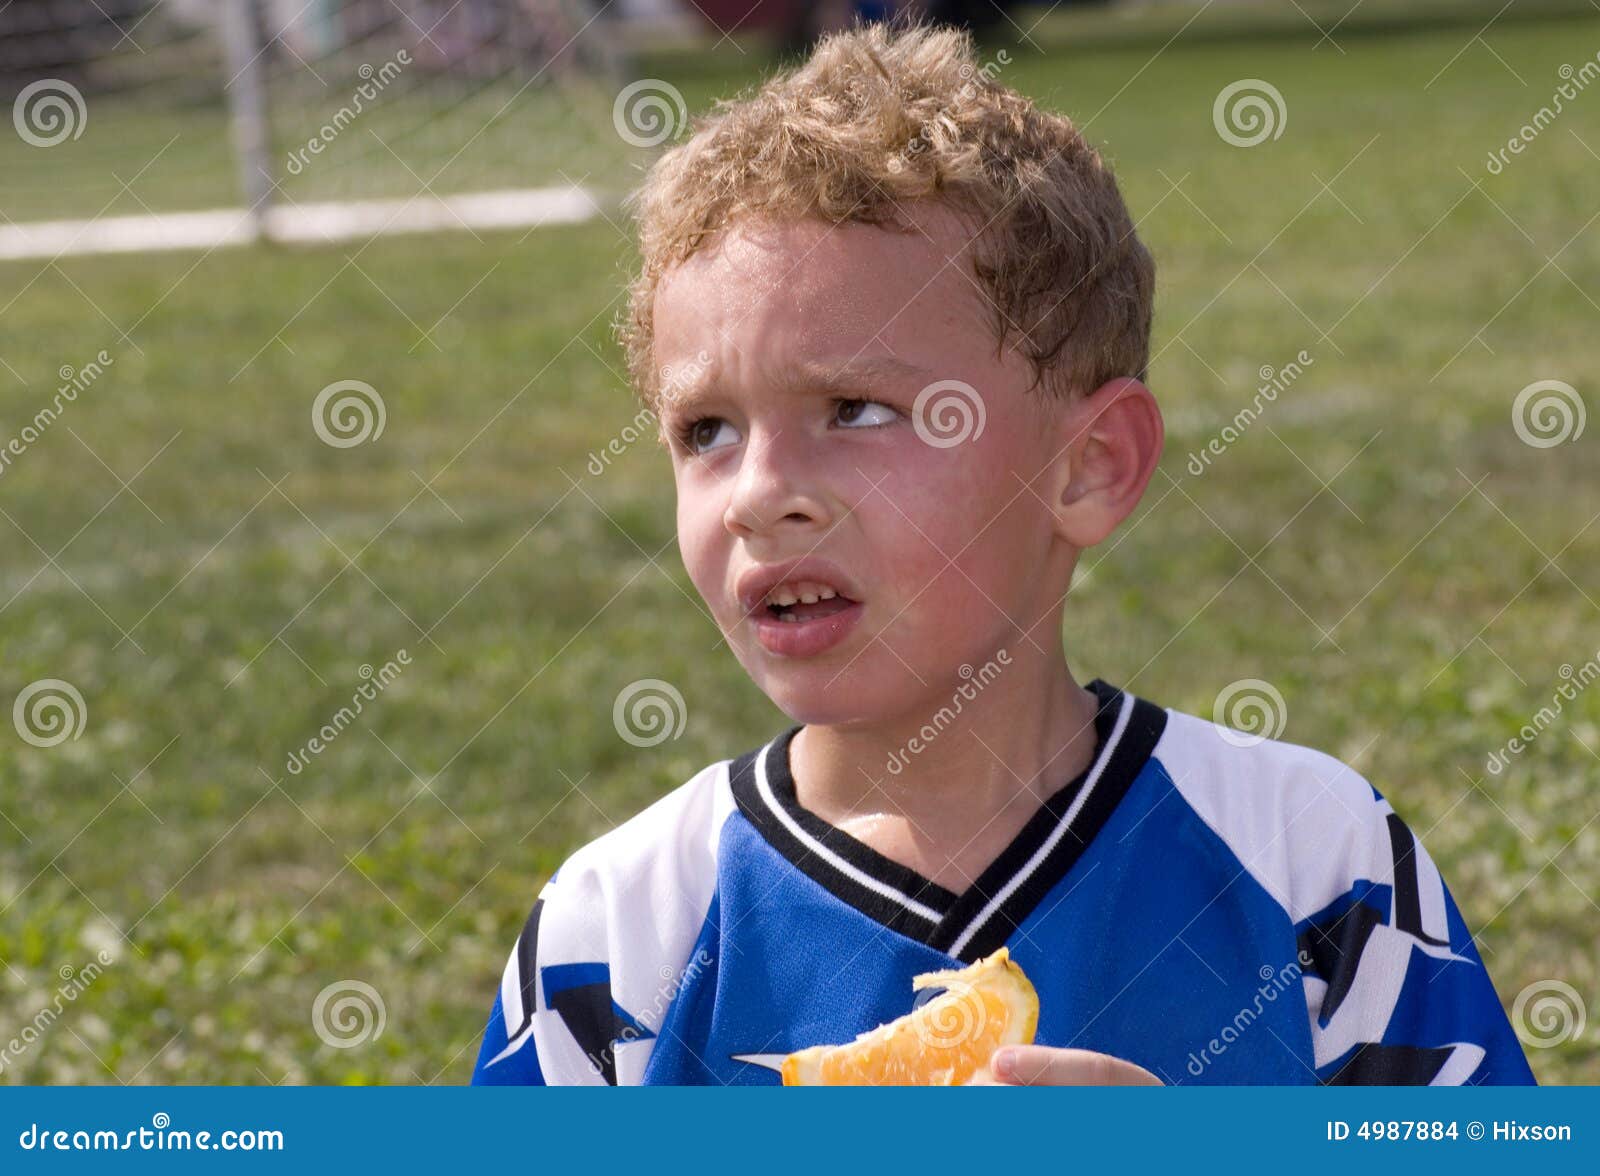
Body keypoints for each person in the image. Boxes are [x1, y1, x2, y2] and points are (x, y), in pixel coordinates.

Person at [471, 22, 1535, 1086]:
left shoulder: (1314, 863)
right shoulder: (612, 944)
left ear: (1089, 467)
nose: (758, 497)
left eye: (854, 409)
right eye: (706, 430)